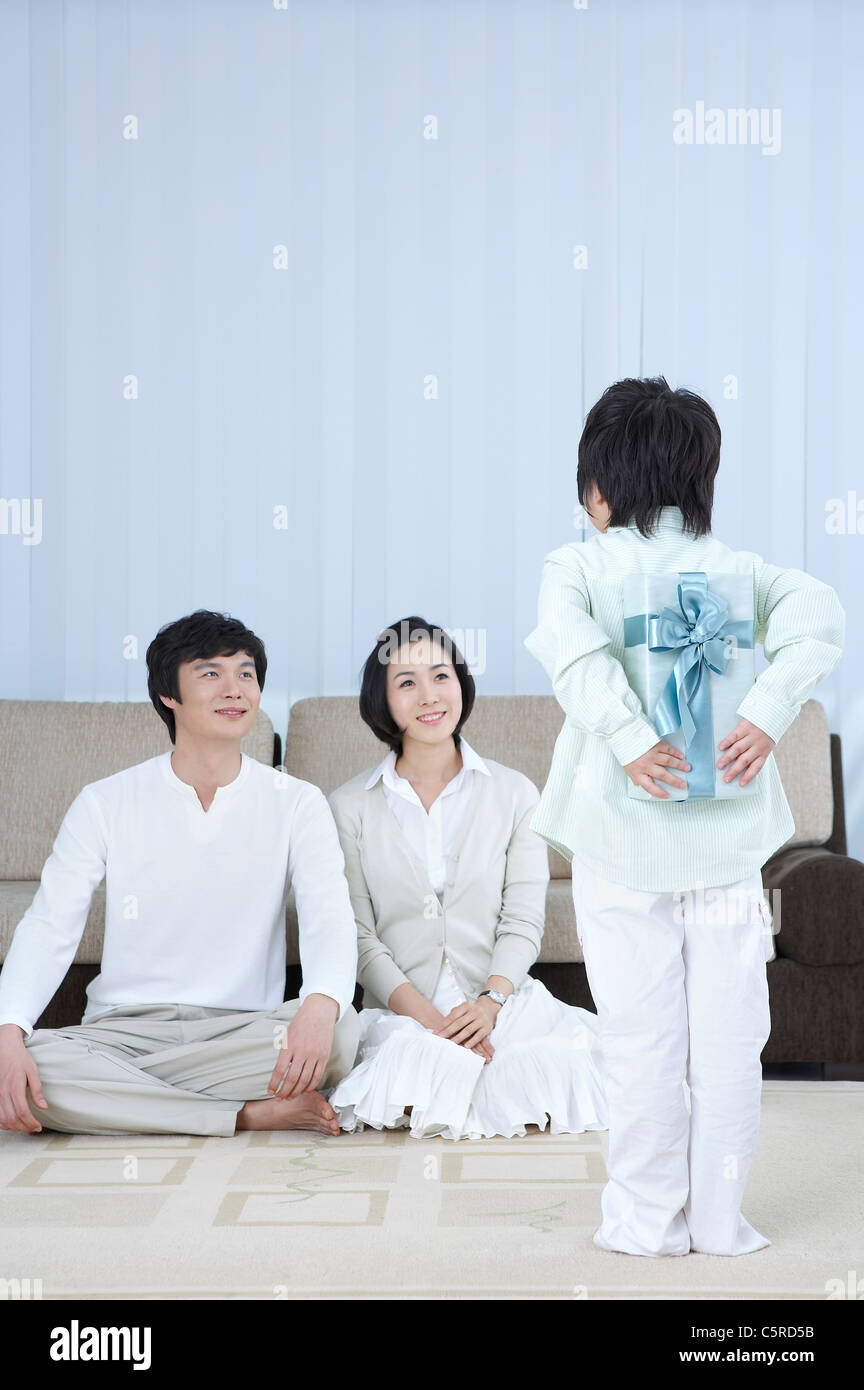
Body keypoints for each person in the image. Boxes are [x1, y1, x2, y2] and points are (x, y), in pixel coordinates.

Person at [524, 376, 845, 1257]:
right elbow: (822, 614)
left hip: (622, 844)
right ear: (701, 485)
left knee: (638, 1039)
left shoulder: (578, 563)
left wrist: (628, 738)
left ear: (597, 493)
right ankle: (720, 1222)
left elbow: (575, 658)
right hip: (727, 844)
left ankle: (646, 1223)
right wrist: (767, 712)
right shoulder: (739, 569)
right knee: (732, 1039)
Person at [0, 610, 359, 1138]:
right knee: (28, 1065)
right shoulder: (105, 801)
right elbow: (50, 925)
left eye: (246, 673)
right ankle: (244, 1114)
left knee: (343, 1031)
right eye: (211, 673)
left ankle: (131, 1101)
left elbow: (328, 913)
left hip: (242, 1029)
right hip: (124, 1031)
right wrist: (9, 1034)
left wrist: (321, 1004)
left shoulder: (298, 803)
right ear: (169, 695)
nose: (235, 689)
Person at [326, 616, 608, 1141]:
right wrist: (437, 1024)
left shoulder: (516, 793)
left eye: (441, 676)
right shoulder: (348, 807)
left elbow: (523, 918)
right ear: (381, 701)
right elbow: (359, 939)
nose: (429, 695)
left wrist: (488, 1005)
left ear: (461, 685)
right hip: (404, 1009)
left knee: (560, 1066)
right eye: (406, 683)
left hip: (498, 1001)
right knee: (423, 1065)